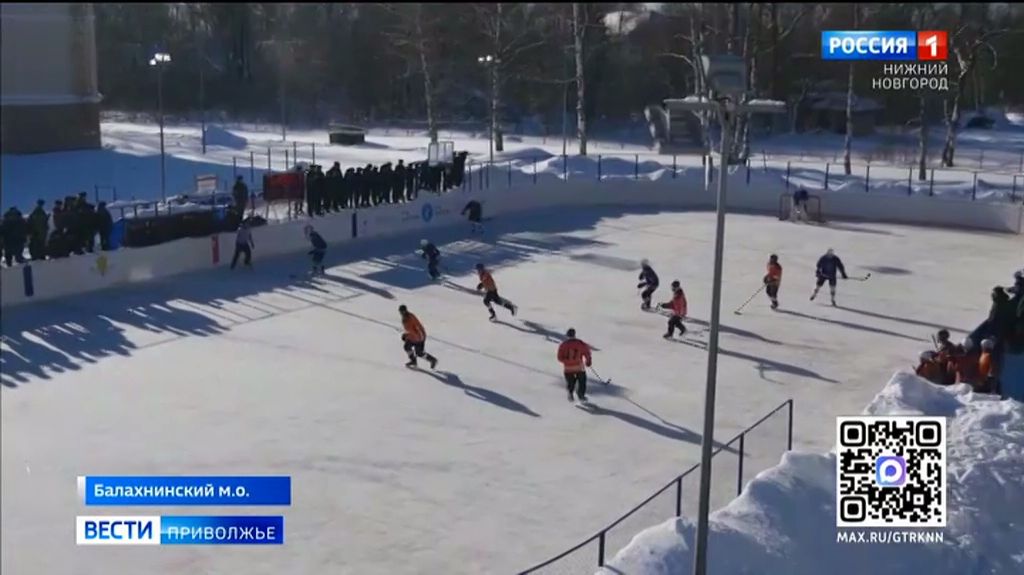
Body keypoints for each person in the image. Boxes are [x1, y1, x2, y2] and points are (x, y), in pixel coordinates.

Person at [557, 328, 592, 402]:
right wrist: (588, 361)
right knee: (582, 381)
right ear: (574, 335)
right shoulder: (580, 343)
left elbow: (559, 357)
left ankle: (570, 393)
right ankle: (581, 395)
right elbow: (587, 352)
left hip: (568, 368)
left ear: (567, 335)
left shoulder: (563, 345)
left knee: (570, 382)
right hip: (579, 367)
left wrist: (567, 361)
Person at [399, 305, 438, 369]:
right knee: (407, 347)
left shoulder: (410, 318)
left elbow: (417, 330)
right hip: (414, 337)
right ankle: (413, 361)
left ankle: (432, 360)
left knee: (419, 353)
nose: (402, 313)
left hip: (419, 337)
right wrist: (406, 335)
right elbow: (410, 330)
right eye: (401, 312)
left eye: (403, 311)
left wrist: (408, 336)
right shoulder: (405, 318)